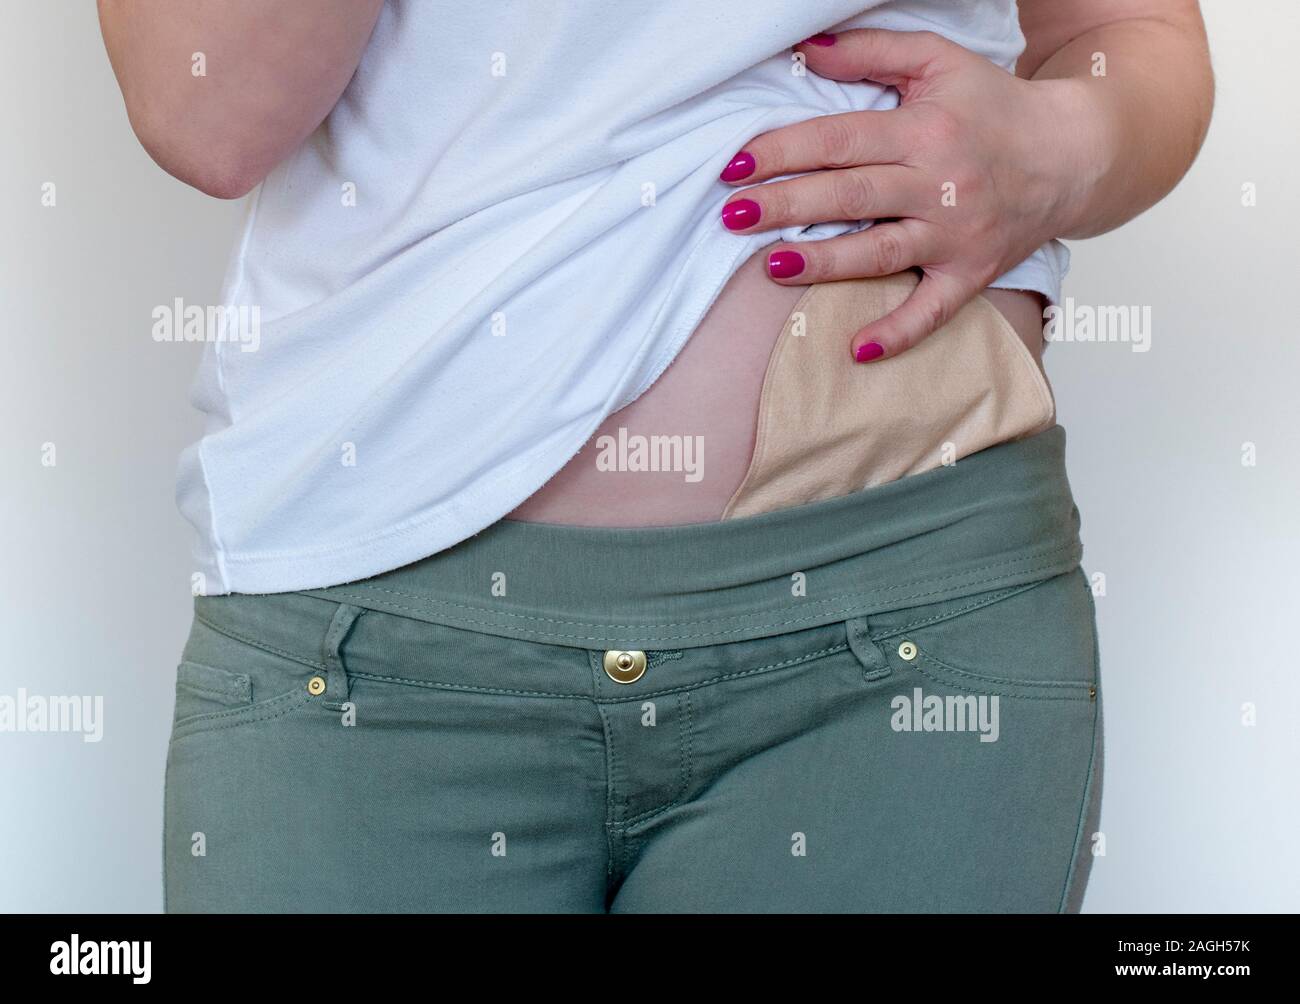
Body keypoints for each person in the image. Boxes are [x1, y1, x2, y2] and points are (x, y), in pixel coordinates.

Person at [99, 0, 1213, 912]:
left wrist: (1056, 148)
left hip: (891, 625)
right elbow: (210, 111)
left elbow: (1132, 33)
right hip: (366, 652)